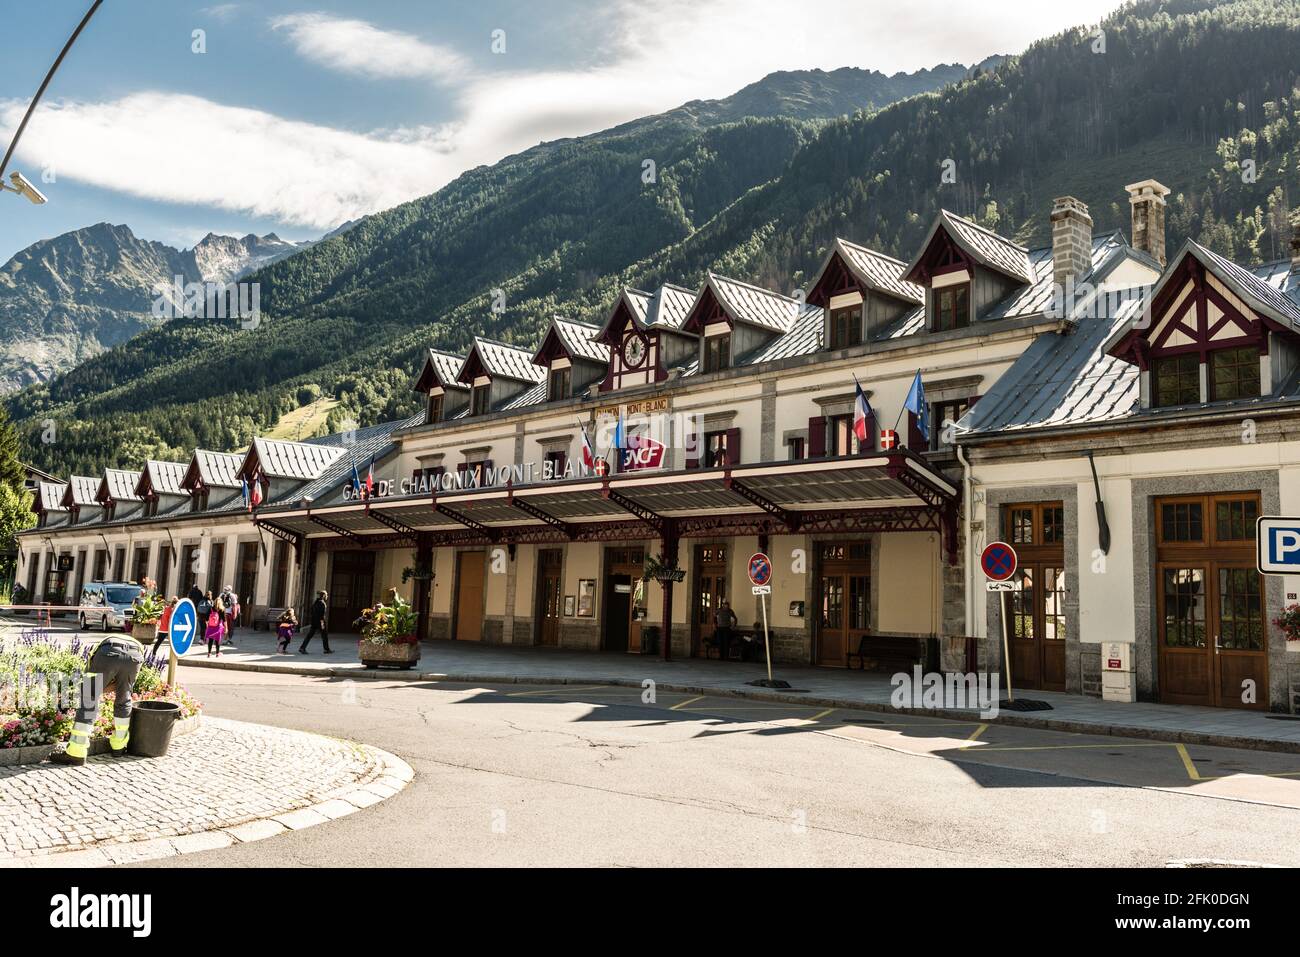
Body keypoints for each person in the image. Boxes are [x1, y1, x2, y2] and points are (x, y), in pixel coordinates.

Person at [49, 631, 145, 766]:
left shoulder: (93, 658)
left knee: (89, 698)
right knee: (124, 699)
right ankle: (119, 747)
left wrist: (92, 692)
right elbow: (119, 686)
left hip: (108, 650)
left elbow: (90, 689)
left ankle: (76, 752)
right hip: (136, 653)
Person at [300, 590, 332, 655]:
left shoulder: (315, 602)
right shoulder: (322, 603)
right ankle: (326, 649)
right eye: (326, 595)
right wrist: (323, 623)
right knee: (324, 635)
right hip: (321, 621)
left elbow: (311, 611)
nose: (327, 596)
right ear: (323, 596)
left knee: (309, 635)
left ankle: (302, 648)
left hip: (314, 621)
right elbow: (322, 615)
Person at [220, 585, 239, 651]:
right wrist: (235, 614)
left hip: (222, 612)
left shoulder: (221, 594)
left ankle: (220, 639)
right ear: (230, 590)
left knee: (222, 626)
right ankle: (227, 639)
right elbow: (234, 605)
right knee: (229, 626)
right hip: (229, 613)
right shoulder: (233, 595)